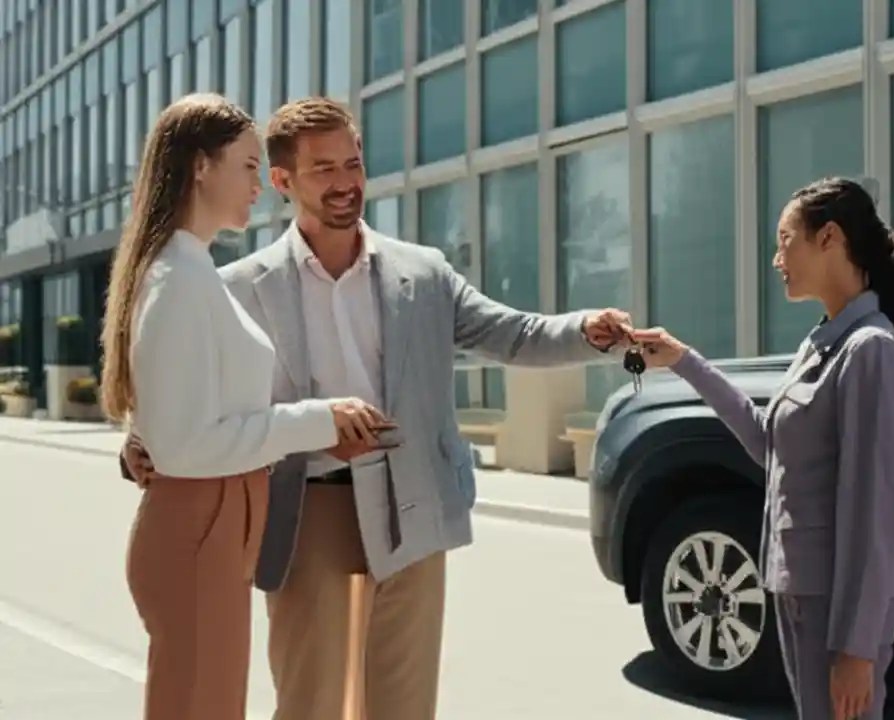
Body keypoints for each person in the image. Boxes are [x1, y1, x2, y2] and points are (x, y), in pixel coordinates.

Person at [122, 96, 632, 720]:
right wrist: (139, 437)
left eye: (353, 163)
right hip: (307, 504)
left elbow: (515, 334)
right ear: (283, 181)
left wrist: (590, 329)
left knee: (402, 702)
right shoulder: (237, 286)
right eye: (324, 169)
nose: (346, 183)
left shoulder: (424, 272)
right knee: (311, 701)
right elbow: (190, 379)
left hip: (412, 499)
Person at [101, 93, 387, 720]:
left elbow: (177, 410)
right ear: (201, 166)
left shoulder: (189, 270)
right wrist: (317, 419)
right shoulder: (179, 279)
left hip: (215, 527)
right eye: (250, 166)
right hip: (202, 525)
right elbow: (188, 444)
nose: (261, 184)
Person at [631, 176, 894, 720]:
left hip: (836, 604)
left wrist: (856, 646)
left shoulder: (870, 350)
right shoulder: (823, 342)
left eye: (786, 240)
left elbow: (874, 509)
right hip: (800, 590)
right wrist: (683, 360)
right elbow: (770, 443)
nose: (776, 258)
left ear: (829, 237)